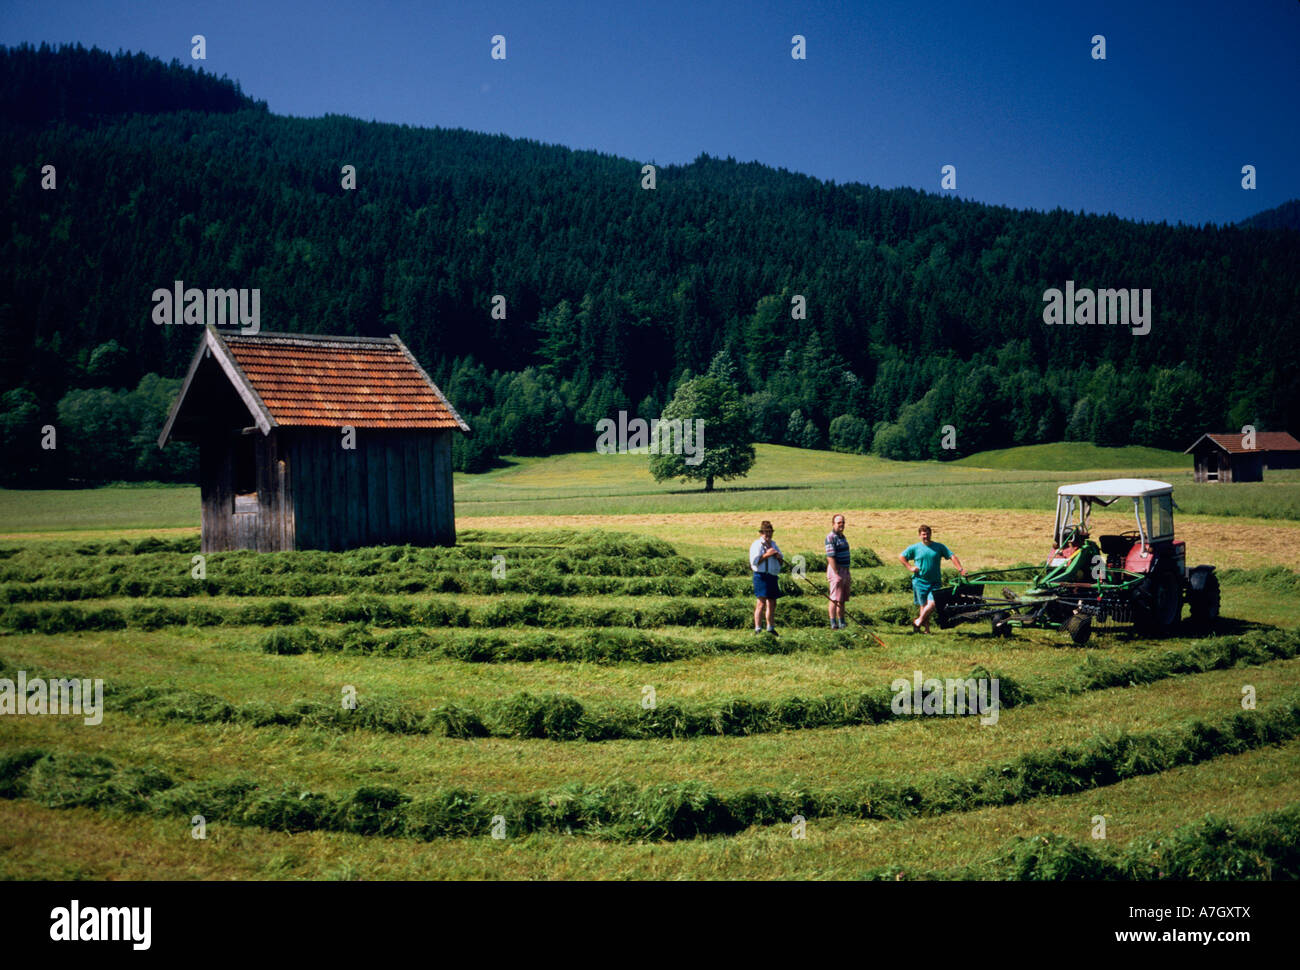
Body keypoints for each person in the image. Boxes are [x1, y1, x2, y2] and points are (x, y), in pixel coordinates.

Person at [898, 524, 967, 633]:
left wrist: (960, 569)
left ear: (931, 534)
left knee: (933, 603)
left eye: (928, 534)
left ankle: (918, 621)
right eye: (923, 534)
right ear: (919, 535)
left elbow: (952, 556)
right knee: (924, 606)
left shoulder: (939, 547)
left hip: (935, 582)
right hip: (919, 581)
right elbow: (901, 557)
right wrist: (910, 567)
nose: (926, 536)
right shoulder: (915, 548)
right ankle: (926, 629)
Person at [749, 520, 783, 635]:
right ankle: (758, 628)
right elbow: (754, 562)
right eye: (765, 532)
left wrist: (778, 556)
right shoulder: (757, 545)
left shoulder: (774, 544)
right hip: (761, 575)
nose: (768, 535)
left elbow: (781, 561)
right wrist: (767, 555)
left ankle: (770, 628)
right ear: (761, 533)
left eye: (770, 532)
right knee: (761, 602)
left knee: (772, 602)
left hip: (772, 576)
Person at [825, 513, 851, 630]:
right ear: (833, 524)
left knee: (842, 598)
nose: (841, 525)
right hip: (837, 570)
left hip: (844, 569)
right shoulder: (830, 537)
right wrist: (836, 572)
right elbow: (830, 556)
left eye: (843, 522)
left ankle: (842, 621)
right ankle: (833, 622)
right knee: (835, 598)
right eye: (839, 522)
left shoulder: (842, 537)